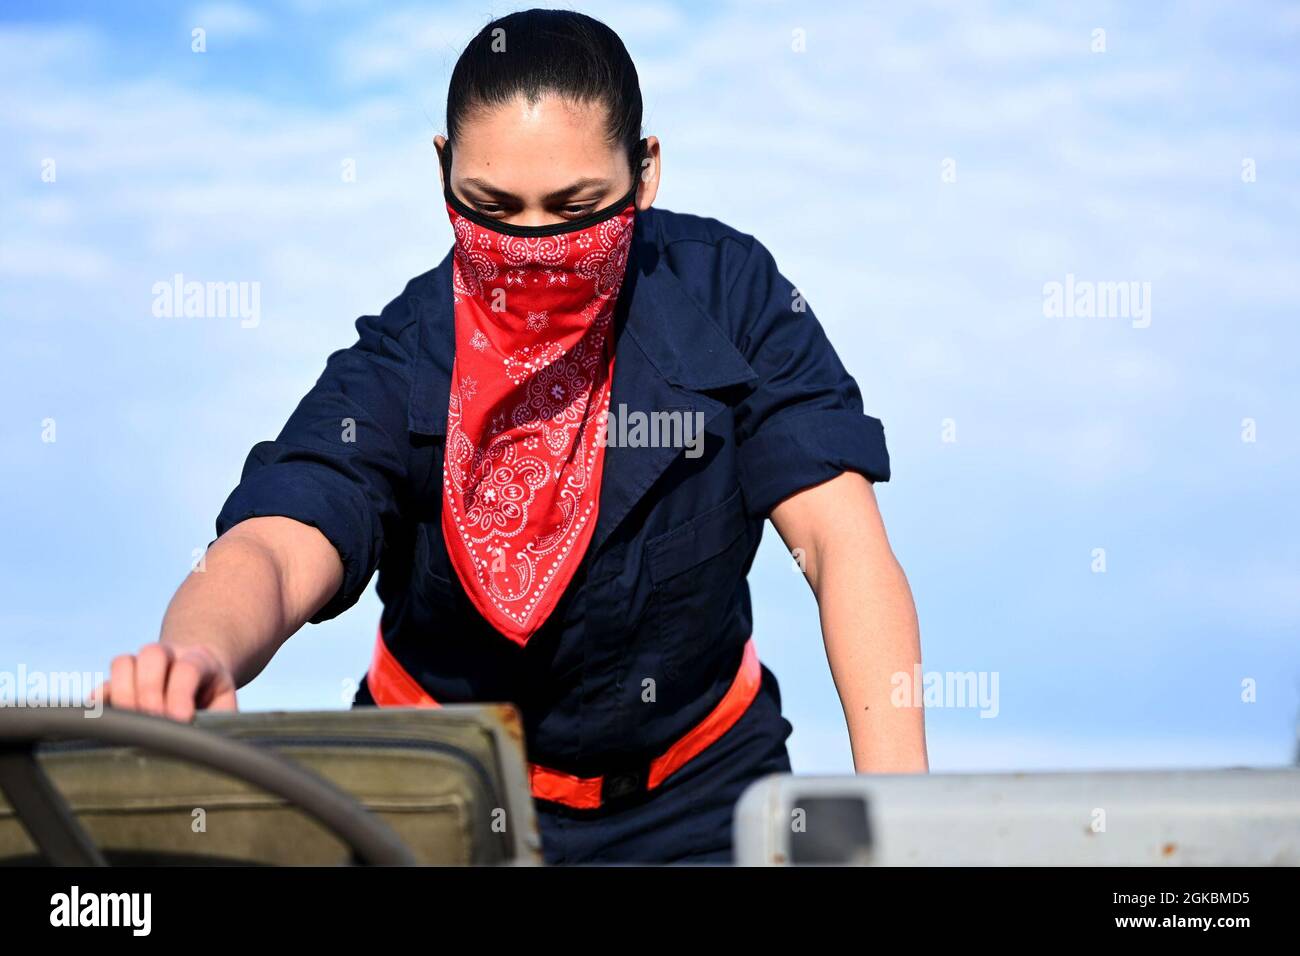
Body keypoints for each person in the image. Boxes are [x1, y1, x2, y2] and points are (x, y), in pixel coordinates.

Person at [97, 8, 927, 864]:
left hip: (701, 798)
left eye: (575, 208)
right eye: (493, 207)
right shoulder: (400, 356)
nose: (533, 247)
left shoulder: (736, 301)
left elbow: (841, 543)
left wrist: (902, 826)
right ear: (443, 173)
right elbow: (279, 539)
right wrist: (199, 652)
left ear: (644, 174)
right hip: (432, 789)